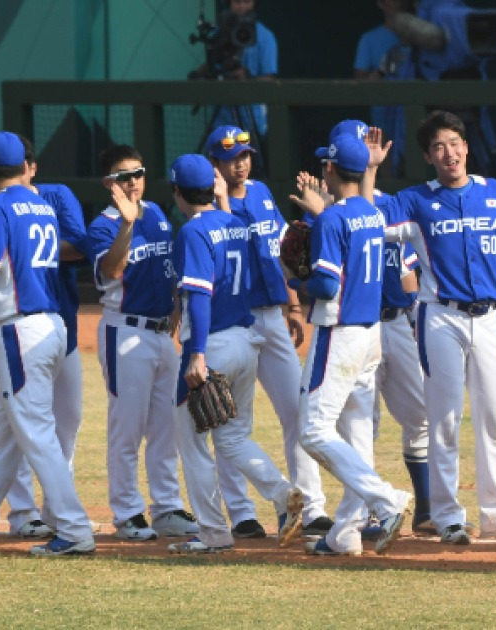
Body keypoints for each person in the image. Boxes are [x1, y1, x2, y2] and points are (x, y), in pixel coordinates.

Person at [375, 110, 496, 544]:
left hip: (487, 317)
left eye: (454, 143)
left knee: (492, 416)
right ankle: (447, 514)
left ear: (466, 147)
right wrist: (371, 167)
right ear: (429, 157)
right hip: (440, 316)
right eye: (438, 147)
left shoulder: (493, 192)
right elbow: (371, 216)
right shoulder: (416, 199)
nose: (448, 152)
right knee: (444, 417)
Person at [0, 131, 94, 556]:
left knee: (36, 432)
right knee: (10, 433)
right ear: (25, 166)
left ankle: (75, 528)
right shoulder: (40, 205)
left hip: (20, 330)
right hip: (52, 324)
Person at [167, 153, 302, 553]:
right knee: (232, 437)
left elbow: (200, 298)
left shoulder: (192, 233)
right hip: (247, 340)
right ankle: (282, 494)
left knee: (191, 443)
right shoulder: (234, 223)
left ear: (176, 192)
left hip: (214, 347)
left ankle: (213, 532)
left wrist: (196, 353)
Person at [287, 133, 413, 556]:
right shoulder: (372, 213)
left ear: (329, 168)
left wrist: (294, 276)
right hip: (370, 335)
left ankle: (385, 500)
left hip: (338, 333)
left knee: (314, 431)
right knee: (357, 434)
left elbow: (324, 282)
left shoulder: (333, 219)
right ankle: (346, 532)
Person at [204, 125, 331, 540]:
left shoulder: (260, 193)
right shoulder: (203, 206)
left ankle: (309, 507)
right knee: (230, 418)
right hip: (232, 322)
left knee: (299, 412)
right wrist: (221, 202)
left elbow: (283, 251)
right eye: (231, 158)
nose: (240, 163)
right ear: (215, 165)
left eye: (245, 155)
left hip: (272, 318)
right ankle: (241, 512)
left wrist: (293, 303)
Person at [86, 144, 198, 541]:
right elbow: (111, 270)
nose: (132, 181)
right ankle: (128, 512)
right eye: (123, 176)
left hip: (161, 334)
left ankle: (167, 508)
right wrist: (126, 226)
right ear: (109, 183)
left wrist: (175, 308)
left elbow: (168, 268)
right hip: (125, 332)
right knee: (127, 428)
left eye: (138, 173)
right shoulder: (102, 225)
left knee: (166, 428)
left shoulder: (159, 216)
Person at [2, 136, 95, 539]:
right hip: (22, 326)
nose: (18, 173)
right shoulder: (0, 207)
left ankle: (57, 507)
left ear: (32, 167)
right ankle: (24, 512)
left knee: (68, 420)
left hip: (64, 325)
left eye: (22, 165)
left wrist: (28, 246)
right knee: (21, 425)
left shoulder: (57, 196)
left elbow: (83, 245)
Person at [196, 0, 278, 138]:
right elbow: (213, 62)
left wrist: (247, 78)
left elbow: (269, 79)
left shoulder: (265, 36)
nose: (241, 6)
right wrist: (200, 73)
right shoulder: (219, 33)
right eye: (237, 2)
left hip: (251, 121)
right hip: (221, 119)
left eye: (246, 2)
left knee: (249, 157)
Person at [354, 0, 410, 145]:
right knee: (386, 162)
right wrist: (376, 76)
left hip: (414, 114)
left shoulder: (421, 38)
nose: (396, 3)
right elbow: (360, 79)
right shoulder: (370, 39)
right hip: (384, 117)